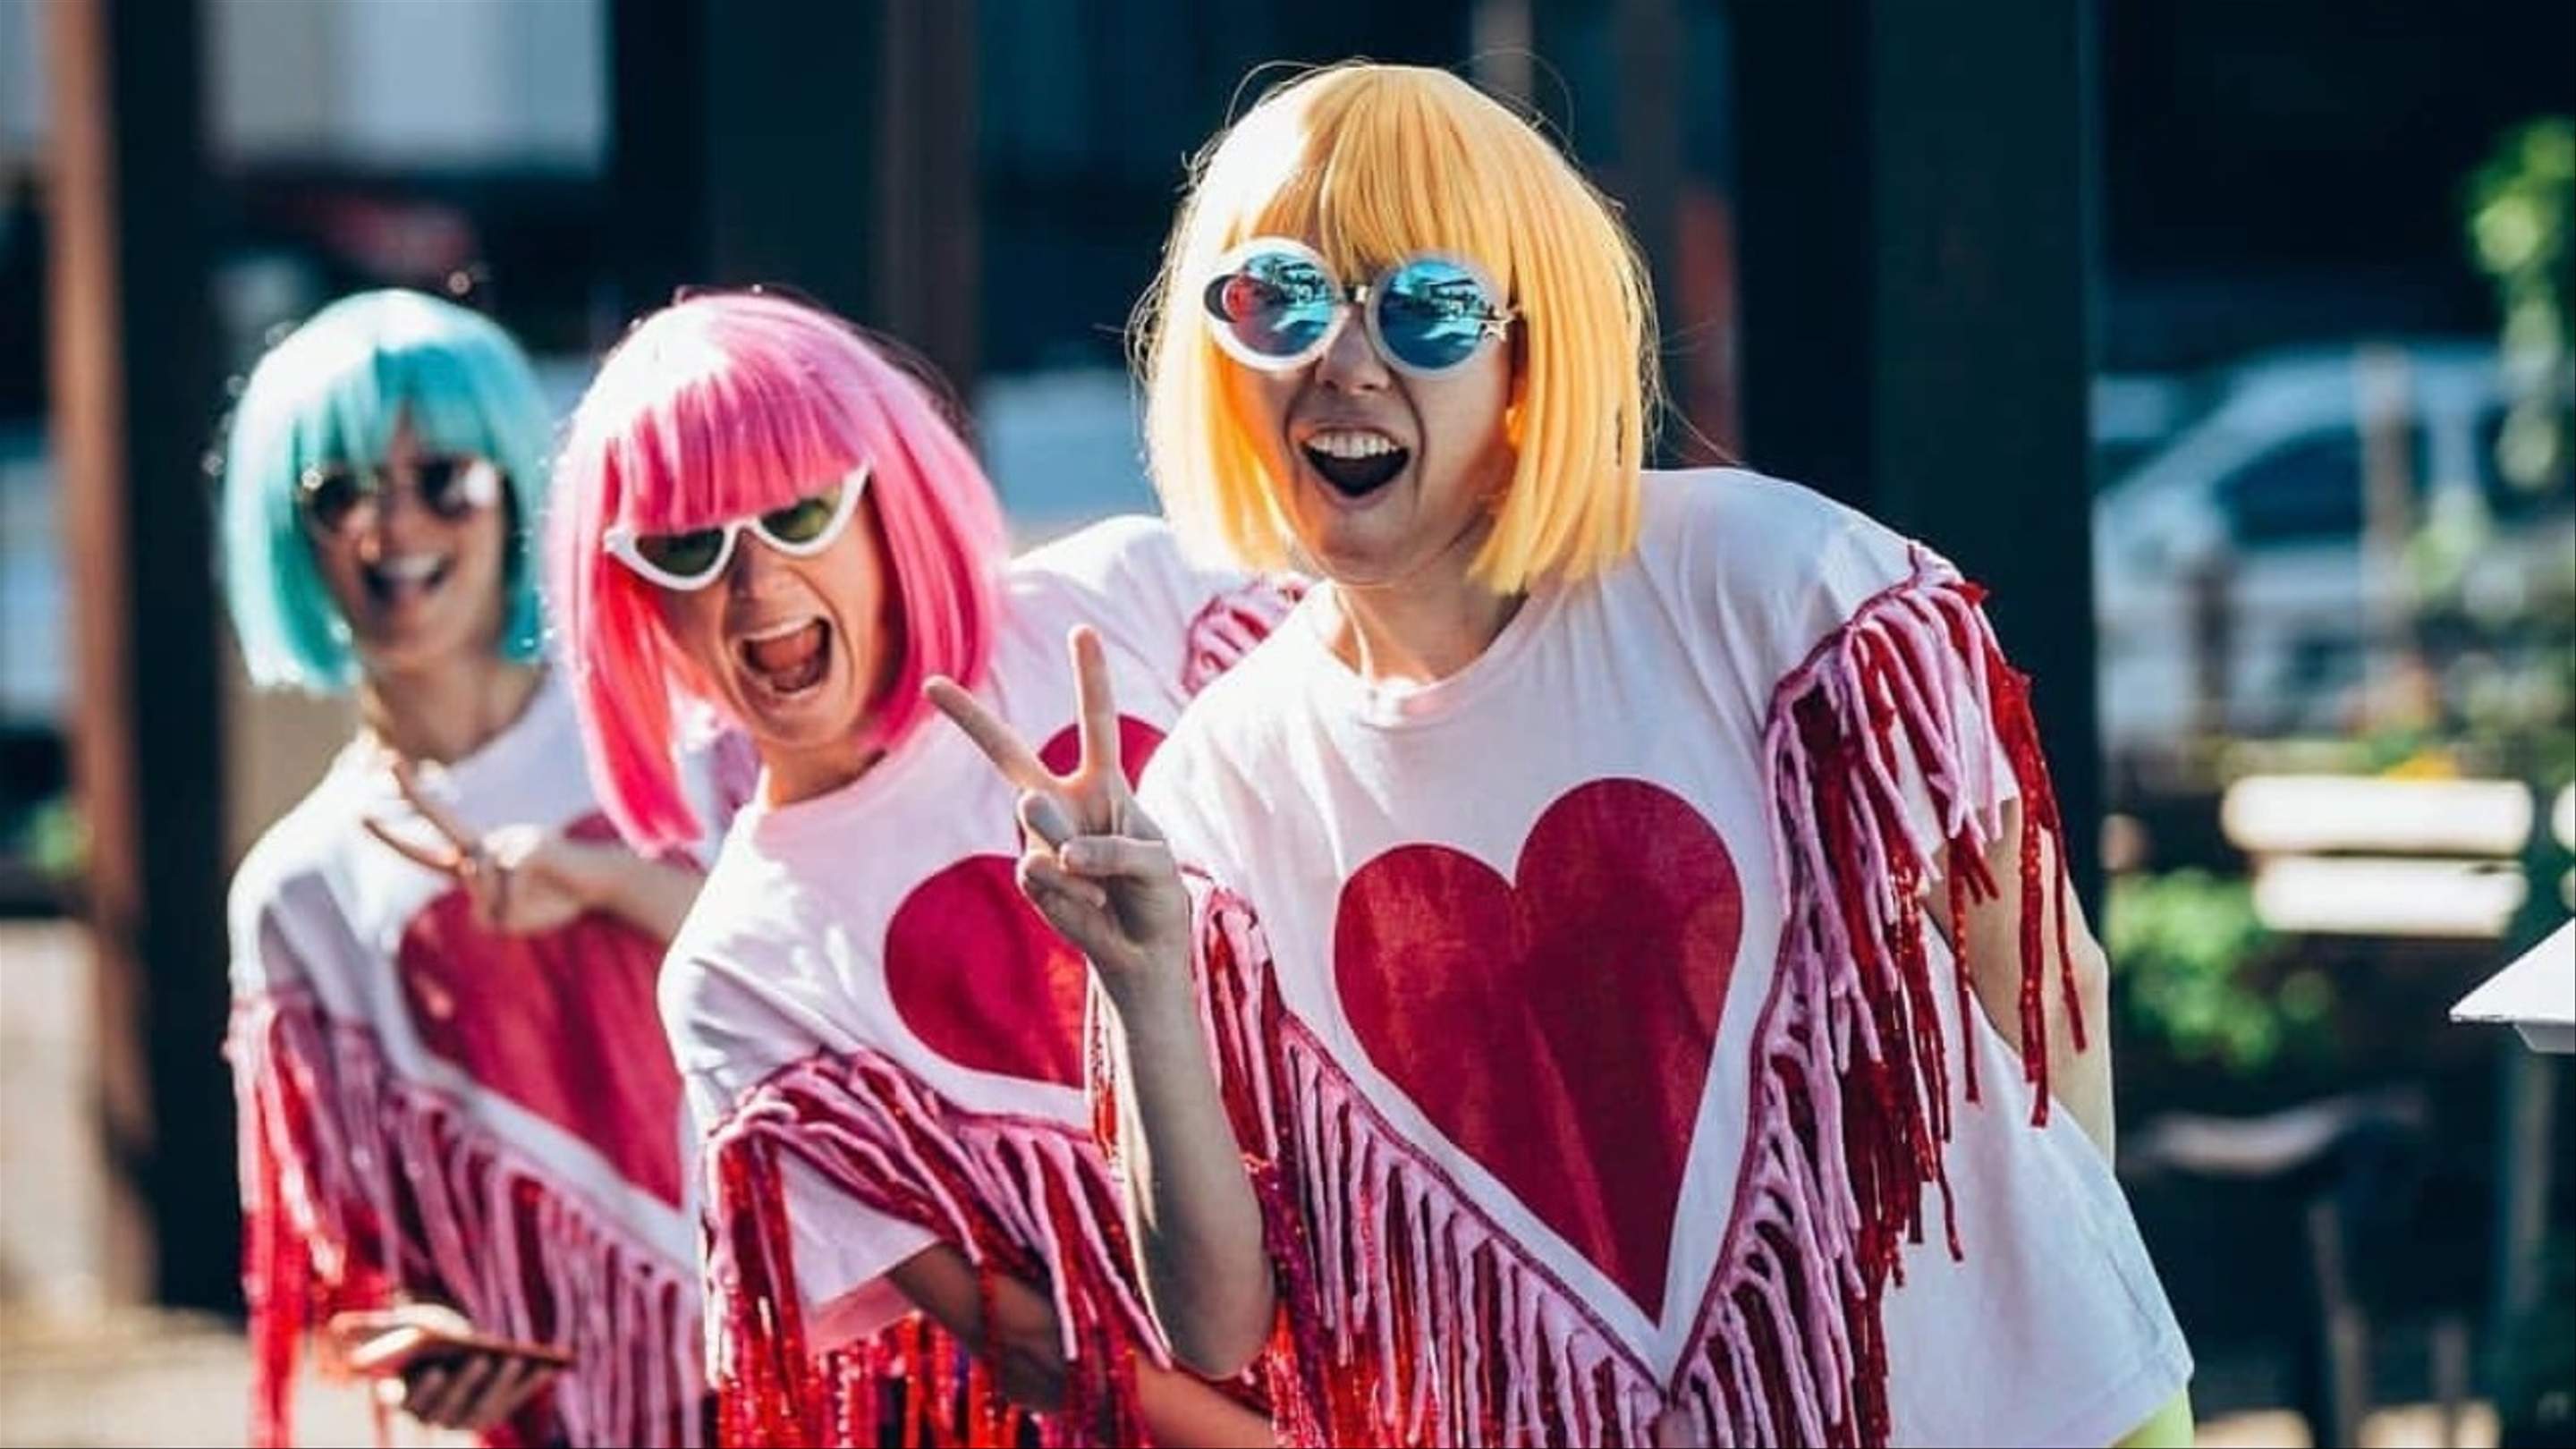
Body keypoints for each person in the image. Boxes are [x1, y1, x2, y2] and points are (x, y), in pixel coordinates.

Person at [932, 63, 2198, 1447]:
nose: (1344, 359)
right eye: (1279, 297)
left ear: (1527, 359)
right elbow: (1217, 1325)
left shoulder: (1780, 588)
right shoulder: (1216, 790)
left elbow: (2038, 976)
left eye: (1428, 307)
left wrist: (2057, 1309)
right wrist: (1144, 984)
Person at [548, 291, 1287, 1446]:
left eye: (799, 511)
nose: (755, 582)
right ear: (635, 594)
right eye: (690, 544)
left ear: (886, 497)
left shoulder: (1123, 605)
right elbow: (1042, 1350)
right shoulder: (740, 974)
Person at [219, 290, 716, 1446]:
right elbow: (352, 1267)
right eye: (338, 493)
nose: (392, 531)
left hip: (836, 1377)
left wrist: (607, 885)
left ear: (513, 486)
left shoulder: (681, 723)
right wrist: (414, 1352)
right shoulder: (299, 890)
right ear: (285, 533)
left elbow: (825, 994)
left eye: (445, 477)